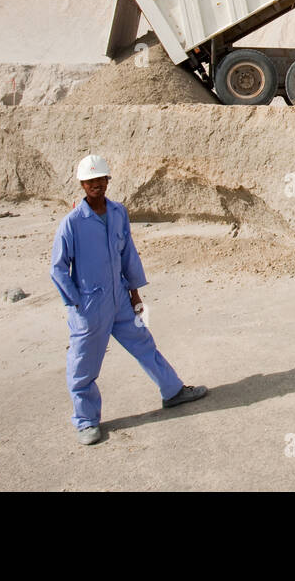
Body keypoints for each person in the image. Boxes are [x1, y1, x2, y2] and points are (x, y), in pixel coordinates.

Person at [51, 154, 207, 445]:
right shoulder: (72, 223)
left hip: (120, 299)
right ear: (82, 185)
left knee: (145, 344)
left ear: (108, 181)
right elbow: (58, 268)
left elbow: (128, 254)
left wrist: (134, 293)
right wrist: (76, 303)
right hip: (90, 306)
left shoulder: (118, 212)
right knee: (83, 364)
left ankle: (172, 392)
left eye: (101, 179)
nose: (96, 185)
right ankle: (86, 421)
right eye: (90, 181)